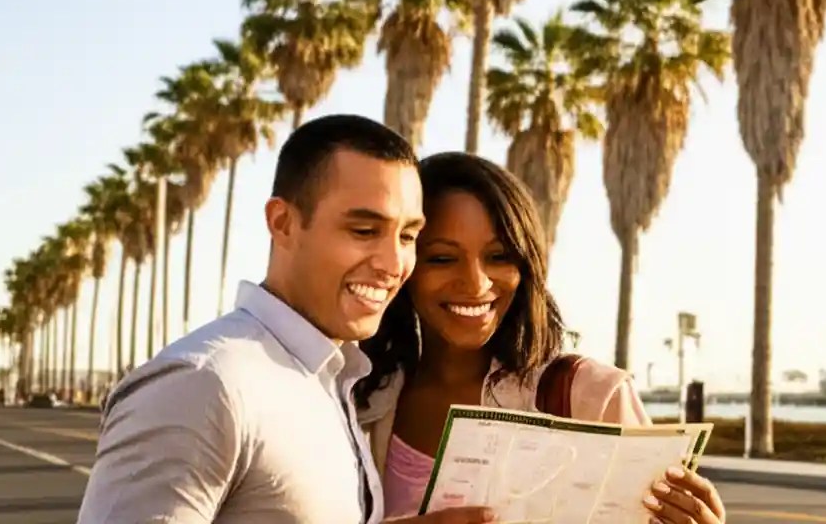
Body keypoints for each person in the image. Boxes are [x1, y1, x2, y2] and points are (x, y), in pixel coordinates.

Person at [77, 115, 495, 524]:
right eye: (365, 231)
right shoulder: (203, 384)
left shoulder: (335, 378)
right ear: (283, 223)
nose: (394, 263)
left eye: (407, 237)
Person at [356, 152, 726, 524]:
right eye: (441, 258)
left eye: (499, 256)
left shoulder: (594, 398)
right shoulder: (359, 399)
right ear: (405, 264)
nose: (476, 283)